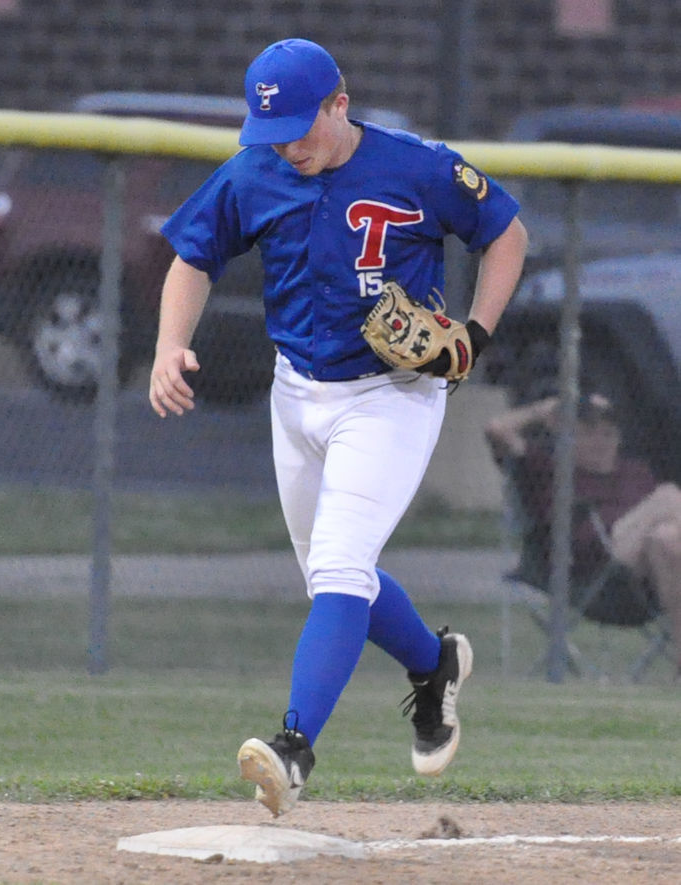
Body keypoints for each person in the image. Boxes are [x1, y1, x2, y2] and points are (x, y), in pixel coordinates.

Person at [150, 38, 528, 816]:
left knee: (338, 565)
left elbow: (505, 232)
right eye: (273, 131)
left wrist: (477, 334)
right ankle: (434, 666)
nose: (288, 145)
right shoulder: (256, 169)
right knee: (334, 575)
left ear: (339, 104)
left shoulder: (416, 166)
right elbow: (192, 258)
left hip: (389, 397)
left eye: (301, 126)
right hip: (295, 394)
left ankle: (292, 750)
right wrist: (168, 345)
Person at [485, 392, 681, 673]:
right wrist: (547, 408)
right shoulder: (547, 467)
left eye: (608, 434)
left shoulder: (635, 471)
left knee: (669, 540)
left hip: (646, 577)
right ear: (567, 437)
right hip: (593, 568)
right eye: (589, 433)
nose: (601, 442)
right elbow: (496, 429)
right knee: (670, 495)